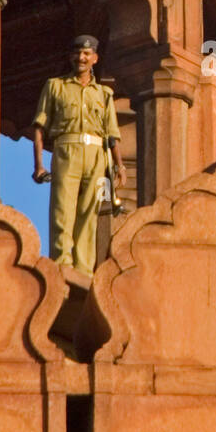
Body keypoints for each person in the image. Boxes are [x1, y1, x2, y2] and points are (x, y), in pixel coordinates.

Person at [31, 35, 127, 275]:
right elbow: (39, 128)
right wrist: (39, 165)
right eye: (77, 53)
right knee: (63, 210)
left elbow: (111, 135)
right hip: (66, 151)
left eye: (86, 54)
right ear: (70, 56)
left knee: (88, 213)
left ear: (95, 58)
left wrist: (120, 166)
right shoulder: (55, 86)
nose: (81, 58)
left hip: (96, 155)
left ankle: (84, 270)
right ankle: (62, 264)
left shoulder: (104, 93)